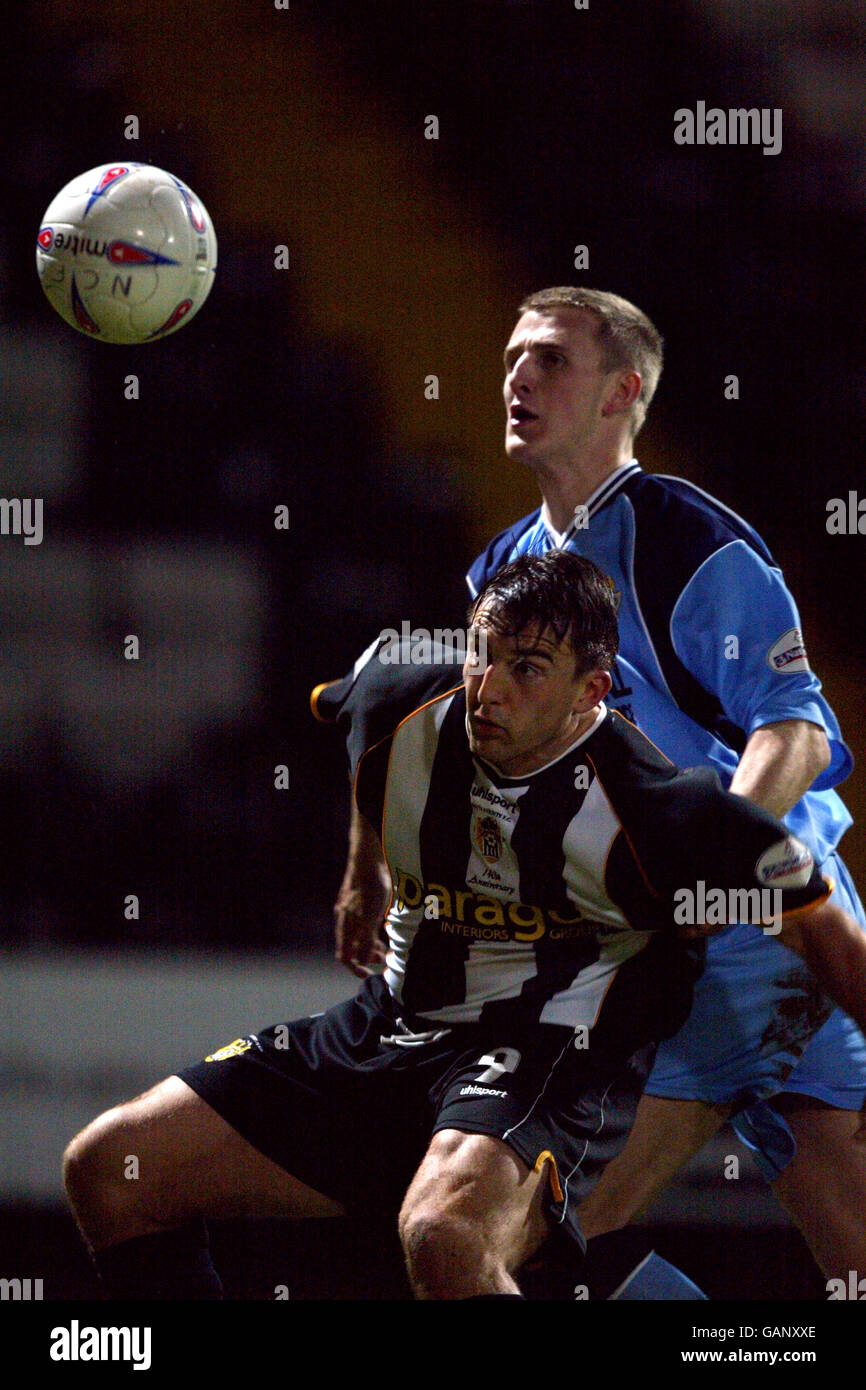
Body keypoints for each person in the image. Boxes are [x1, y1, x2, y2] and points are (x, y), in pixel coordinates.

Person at [62, 552, 866, 1300]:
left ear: (593, 690)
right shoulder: (401, 690)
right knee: (107, 1169)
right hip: (388, 1027)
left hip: (547, 1051)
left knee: (445, 1237)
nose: (487, 687)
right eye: (481, 653)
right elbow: (357, 730)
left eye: (526, 669)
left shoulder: (661, 812)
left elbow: (824, 929)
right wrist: (364, 871)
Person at [336, 287, 866, 1282]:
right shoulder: (503, 567)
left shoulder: (680, 538)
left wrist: (707, 867)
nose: (516, 378)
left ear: (623, 391)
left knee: (493, 1239)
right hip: (694, 945)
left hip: (750, 938)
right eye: (508, 359)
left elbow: (791, 726)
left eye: (548, 360)